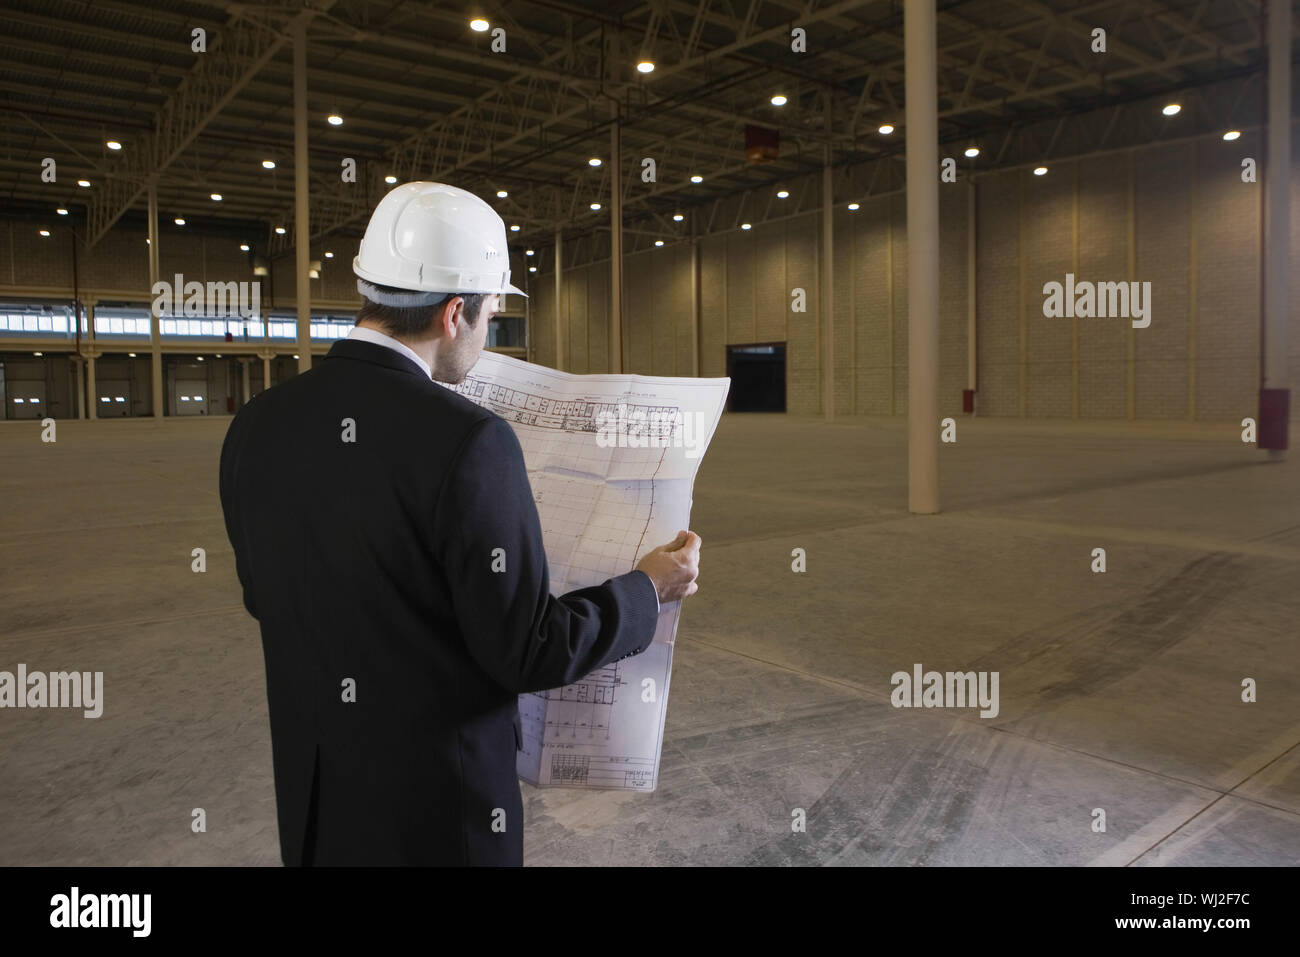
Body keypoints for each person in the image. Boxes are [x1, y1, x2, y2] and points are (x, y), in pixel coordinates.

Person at [219, 182, 700, 866]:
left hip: (318, 808)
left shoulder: (256, 425)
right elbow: (527, 649)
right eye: (492, 310)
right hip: (438, 824)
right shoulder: (470, 441)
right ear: (453, 312)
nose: (492, 322)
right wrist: (648, 587)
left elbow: (265, 594)